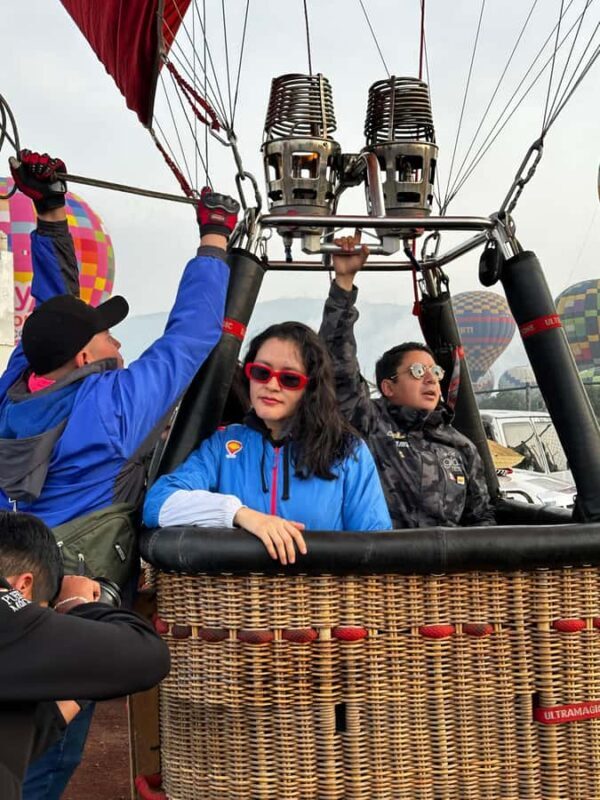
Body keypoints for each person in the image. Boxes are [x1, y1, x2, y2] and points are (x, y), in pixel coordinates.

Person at [0, 150, 237, 799]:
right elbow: (188, 341)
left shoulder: (16, 384)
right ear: (84, 357)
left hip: (10, 589)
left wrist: (50, 212)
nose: (117, 341)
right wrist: (215, 240)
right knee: (47, 757)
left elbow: (53, 309)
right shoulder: (110, 410)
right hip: (74, 604)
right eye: (105, 335)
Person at [143, 322, 392, 563]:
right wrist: (240, 515)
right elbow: (158, 504)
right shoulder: (224, 445)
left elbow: (375, 544)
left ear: (311, 388)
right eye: (261, 373)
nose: (271, 385)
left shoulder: (346, 450)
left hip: (323, 601)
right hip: (239, 599)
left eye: (289, 379)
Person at [319, 231, 495, 529]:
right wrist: (344, 284)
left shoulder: (460, 445)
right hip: (383, 566)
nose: (430, 379)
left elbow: (481, 517)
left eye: (435, 372)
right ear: (387, 387)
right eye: (416, 372)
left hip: (446, 571)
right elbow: (337, 365)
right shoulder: (370, 424)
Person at [0, 511, 170, 800]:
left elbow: (13, 737)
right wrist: (76, 606)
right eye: (43, 612)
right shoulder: (7, 613)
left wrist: (80, 684)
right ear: (23, 586)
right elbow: (149, 656)